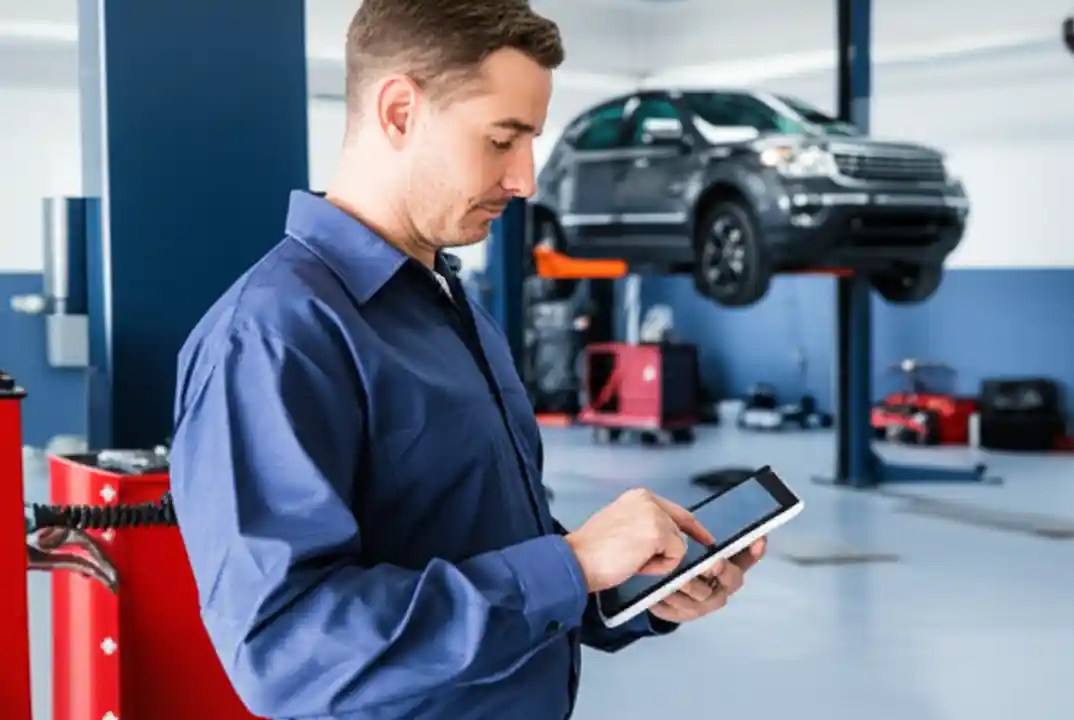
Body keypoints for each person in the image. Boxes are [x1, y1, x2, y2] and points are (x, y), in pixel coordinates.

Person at [167, 1, 768, 719]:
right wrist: (570, 565)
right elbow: (284, 647)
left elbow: (484, 551)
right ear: (398, 112)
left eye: (531, 143)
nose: (526, 180)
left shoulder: (449, 306)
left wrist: (633, 590)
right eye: (501, 140)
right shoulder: (273, 335)